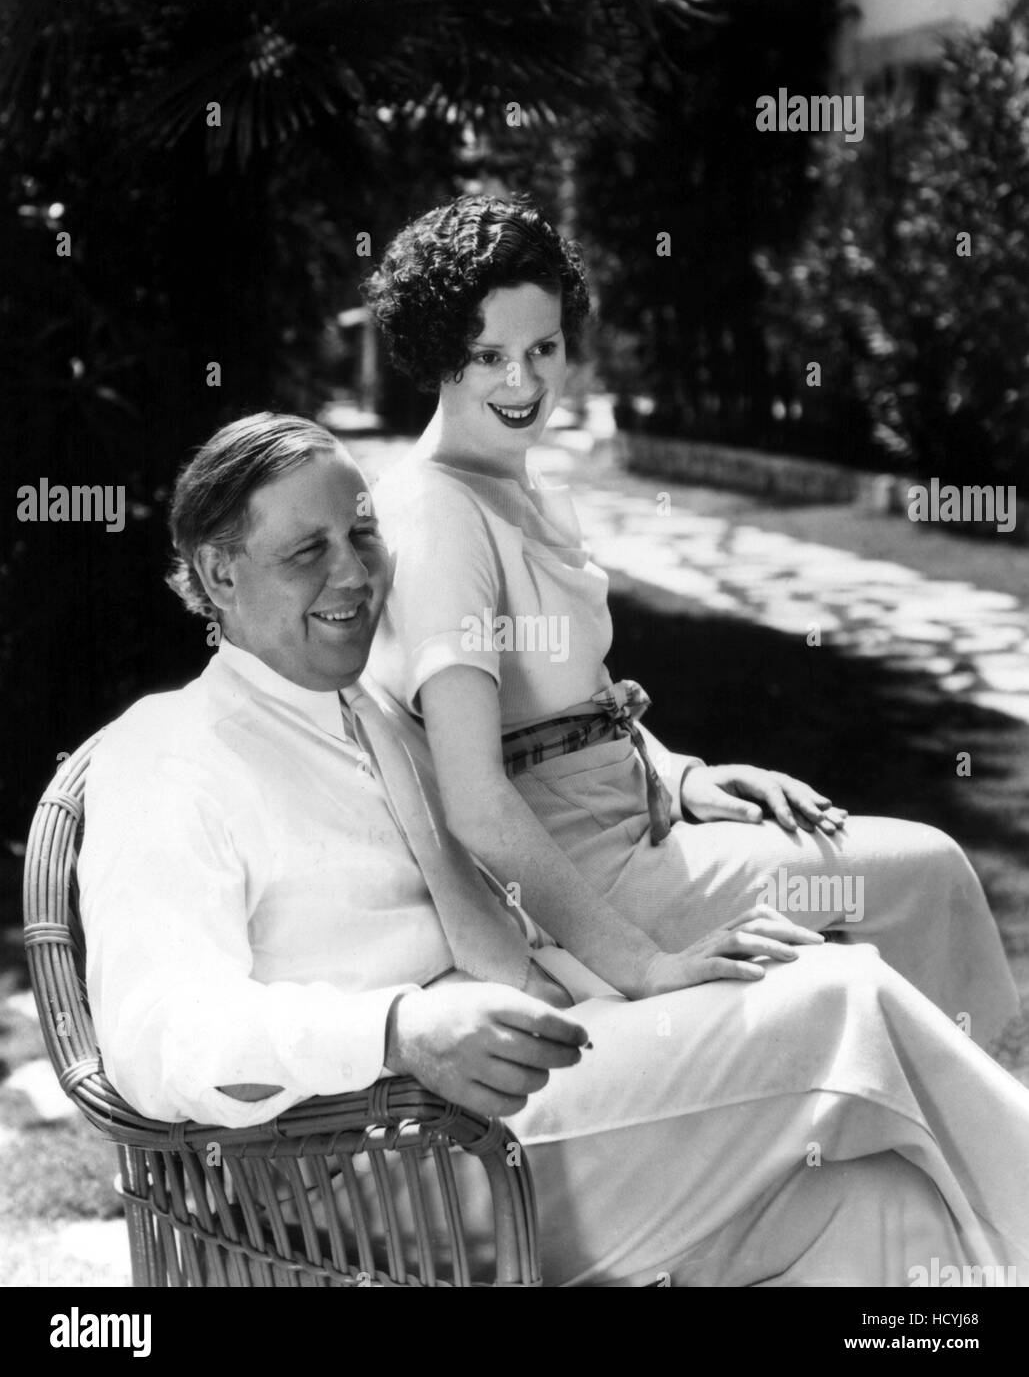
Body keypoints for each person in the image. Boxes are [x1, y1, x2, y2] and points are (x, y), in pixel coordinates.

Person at [77, 412, 1029, 1287]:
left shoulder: (374, 715)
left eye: (363, 534)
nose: (355, 576)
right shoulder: (166, 758)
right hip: (379, 1167)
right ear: (217, 575)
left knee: (877, 1215)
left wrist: (681, 792)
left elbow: (554, 741)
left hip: (533, 1098)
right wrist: (395, 1030)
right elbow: (159, 1035)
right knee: (842, 1000)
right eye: (306, 552)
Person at [362, 192, 1019, 1048]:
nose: (522, 382)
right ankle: (1001, 1159)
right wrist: (639, 964)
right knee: (926, 875)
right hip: (596, 883)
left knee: (914, 878)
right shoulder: (439, 515)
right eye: (487, 355)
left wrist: (680, 776)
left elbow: (567, 706)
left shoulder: (504, 485)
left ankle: (957, 1150)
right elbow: (476, 801)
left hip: (635, 828)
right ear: (435, 352)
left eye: (543, 347)